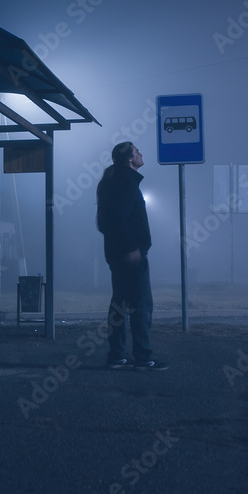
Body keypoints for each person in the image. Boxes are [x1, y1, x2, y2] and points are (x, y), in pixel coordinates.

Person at [95, 142, 166, 370]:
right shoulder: (126, 182)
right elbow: (117, 220)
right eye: (137, 152)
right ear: (129, 159)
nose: (141, 154)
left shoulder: (112, 181)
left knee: (119, 305)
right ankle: (143, 358)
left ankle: (116, 356)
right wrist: (131, 248)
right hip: (131, 255)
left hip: (116, 254)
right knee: (141, 306)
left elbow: (104, 222)